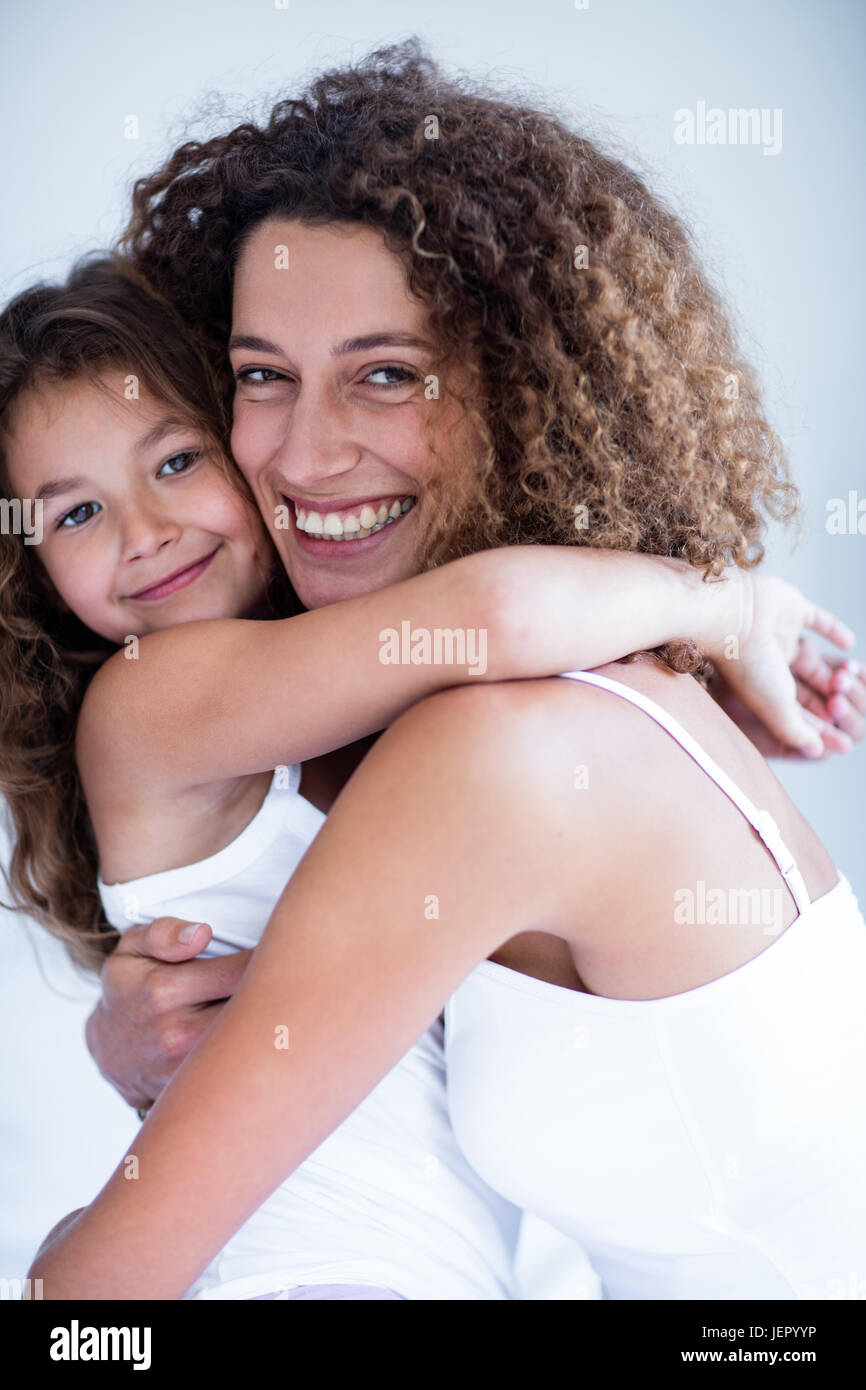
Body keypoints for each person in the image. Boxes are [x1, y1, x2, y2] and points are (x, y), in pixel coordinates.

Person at [25, 40, 866, 1299]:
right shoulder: (518, 703)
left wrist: (51, 1280)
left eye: (384, 375)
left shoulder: (492, 747)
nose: (305, 456)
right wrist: (137, 1040)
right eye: (262, 378)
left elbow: (101, 1294)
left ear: (520, 383)